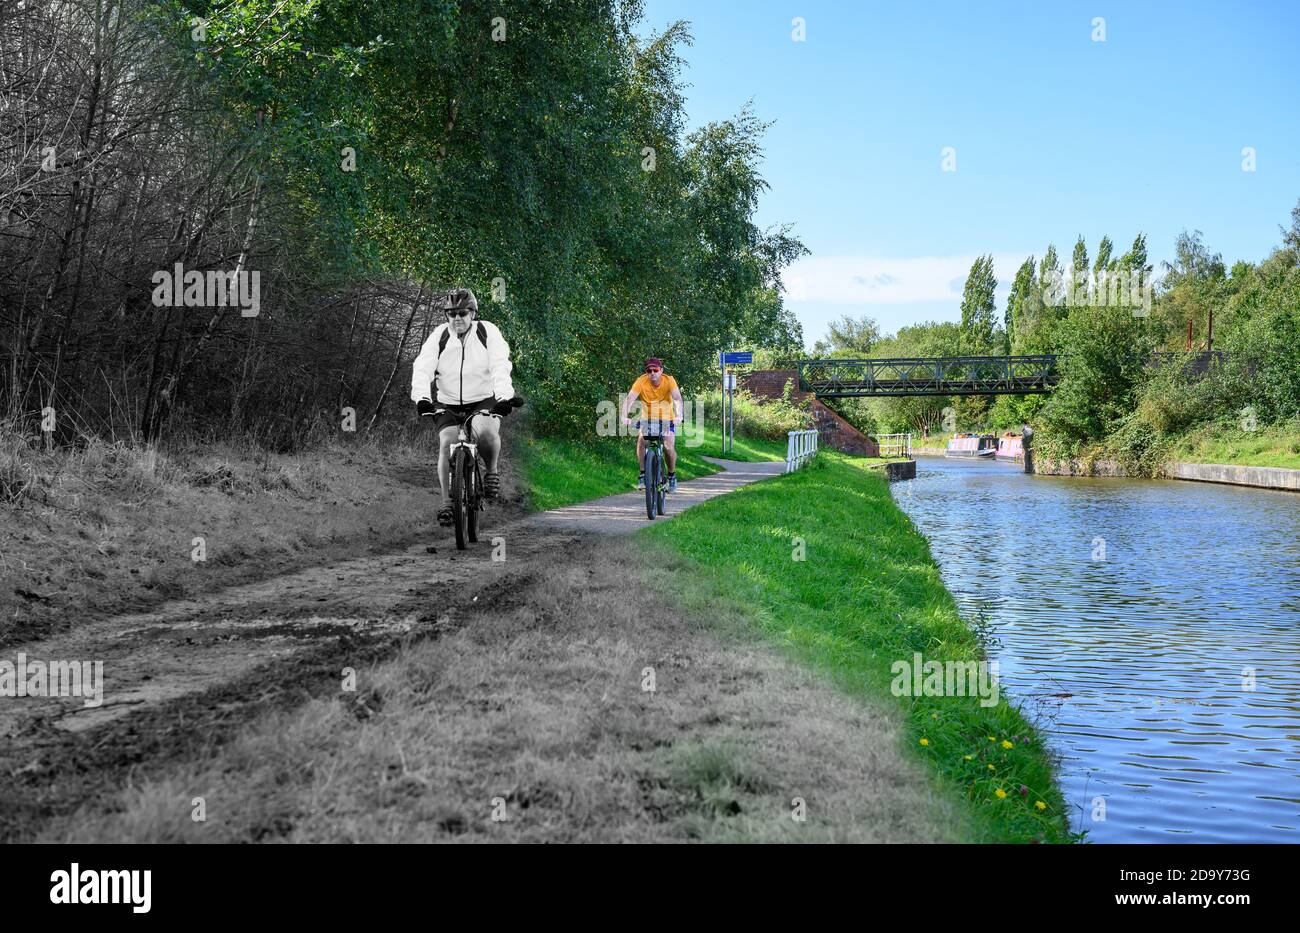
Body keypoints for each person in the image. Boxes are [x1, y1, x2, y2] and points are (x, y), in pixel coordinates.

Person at [410, 288, 518, 527]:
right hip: (446, 400)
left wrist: (503, 398)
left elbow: (500, 365)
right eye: (451, 314)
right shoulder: (439, 336)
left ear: (472, 313)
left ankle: (491, 472)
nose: (457, 318)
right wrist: (422, 398)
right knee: (447, 443)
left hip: (482, 398)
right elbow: (422, 367)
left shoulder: (487, 331)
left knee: (487, 433)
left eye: (462, 313)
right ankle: (447, 502)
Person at [620, 357, 682, 492]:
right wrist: (624, 416)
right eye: (649, 370)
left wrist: (679, 416)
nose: (652, 373)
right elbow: (630, 399)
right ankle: (643, 474)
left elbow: (677, 398)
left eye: (655, 370)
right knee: (641, 441)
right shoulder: (641, 381)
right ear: (646, 372)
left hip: (667, 419)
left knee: (668, 447)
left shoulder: (669, 380)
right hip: (647, 419)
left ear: (661, 371)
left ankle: (671, 475)